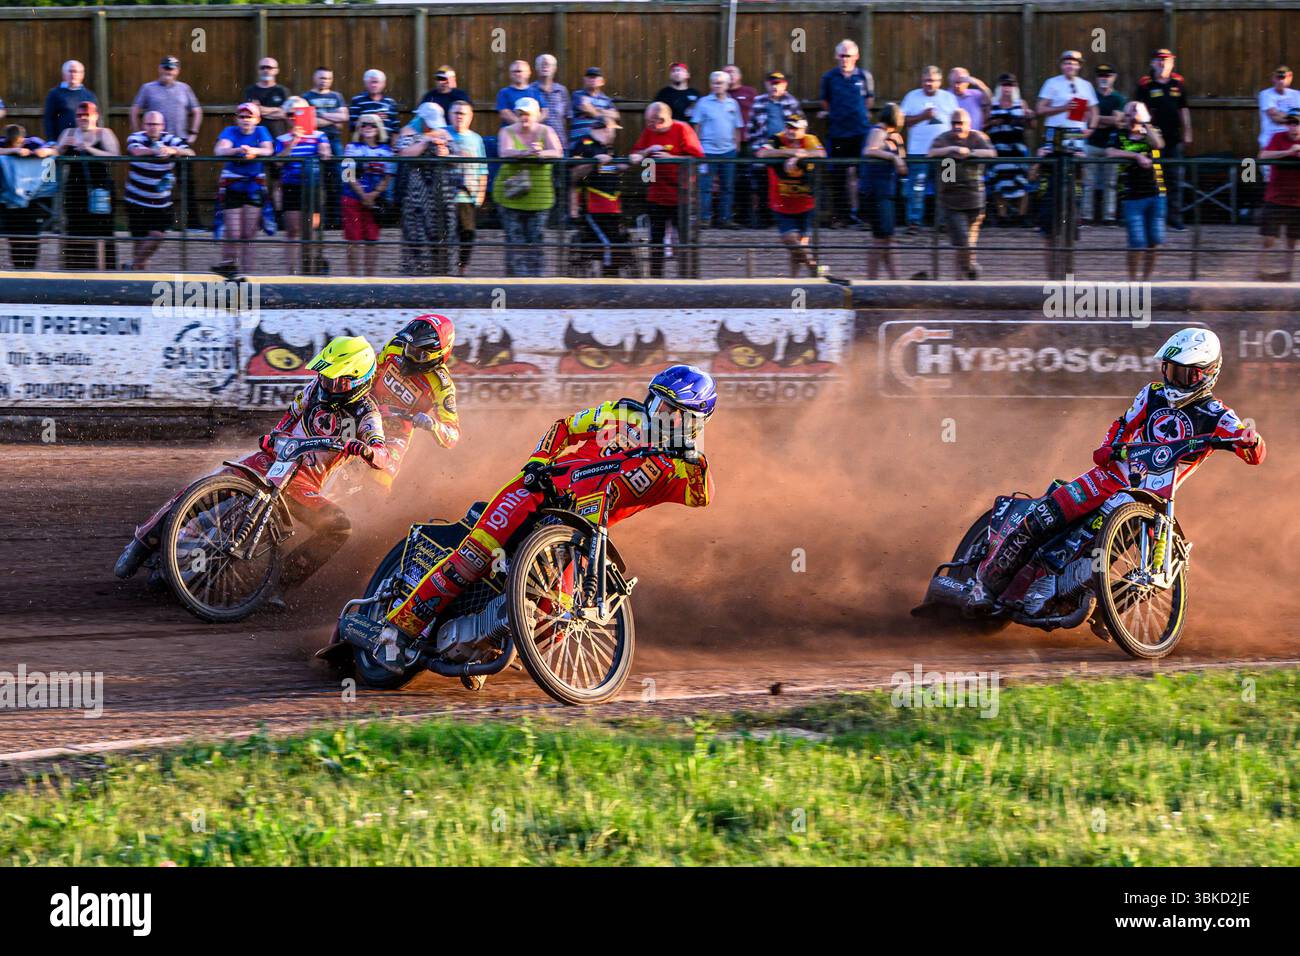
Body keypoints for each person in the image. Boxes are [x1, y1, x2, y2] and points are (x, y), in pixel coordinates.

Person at [372, 364, 717, 648]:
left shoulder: (679, 470)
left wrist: (693, 456)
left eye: (672, 413)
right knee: (473, 559)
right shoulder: (621, 413)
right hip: (538, 491)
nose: (659, 415)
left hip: (579, 535)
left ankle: (481, 646)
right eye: (657, 404)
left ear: (694, 424)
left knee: (556, 625)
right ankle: (395, 630)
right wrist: (538, 461)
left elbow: (703, 496)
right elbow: (564, 427)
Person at [965, 328, 1265, 616]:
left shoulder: (1218, 415)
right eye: (1169, 370)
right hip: (1112, 477)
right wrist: (1109, 447)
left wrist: (1250, 440)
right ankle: (984, 587)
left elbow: (1253, 452)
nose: (1172, 379)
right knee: (1046, 516)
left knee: (1153, 558)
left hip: (1150, 498)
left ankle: (1100, 611)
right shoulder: (1152, 394)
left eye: (1183, 373)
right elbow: (1124, 425)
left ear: (1207, 373)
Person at [115, 336, 391, 594]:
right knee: (209, 485)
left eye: (337, 383)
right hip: (274, 460)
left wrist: (367, 451)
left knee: (339, 527)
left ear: (359, 380)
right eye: (326, 378)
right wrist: (274, 436)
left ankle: (277, 587)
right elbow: (289, 417)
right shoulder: (315, 388)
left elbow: (382, 453)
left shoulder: (367, 414)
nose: (329, 386)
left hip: (303, 483)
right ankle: (143, 542)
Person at [370, 314, 461, 490]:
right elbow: (372, 370)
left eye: (419, 353)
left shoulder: (442, 385)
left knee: (378, 485)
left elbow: (453, 435)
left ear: (439, 356)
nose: (409, 355)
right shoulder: (396, 346)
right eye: (409, 348)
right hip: (364, 412)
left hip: (395, 435)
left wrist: (432, 425)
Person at [629, 102, 704, 278]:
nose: (648, 126)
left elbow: (698, 157)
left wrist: (672, 158)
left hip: (681, 196)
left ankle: (687, 278)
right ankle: (656, 279)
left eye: (650, 122)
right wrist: (644, 152)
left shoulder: (682, 129)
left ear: (660, 119)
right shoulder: (649, 132)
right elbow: (636, 152)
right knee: (656, 241)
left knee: (684, 241)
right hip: (656, 195)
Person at [130, 55, 204, 230]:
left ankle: (192, 224)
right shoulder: (147, 88)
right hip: (154, 145)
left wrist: (193, 133)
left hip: (178, 145)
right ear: (159, 68)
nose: (168, 71)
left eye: (171, 68)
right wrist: (137, 133)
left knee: (186, 184)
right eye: (165, 67)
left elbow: (197, 111)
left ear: (177, 71)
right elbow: (134, 110)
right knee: (156, 185)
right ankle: (162, 225)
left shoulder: (185, 88)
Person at [492, 96, 563, 277]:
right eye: (521, 114)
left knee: (536, 242)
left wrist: (541, 153)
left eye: (528, 114)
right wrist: (526, 152)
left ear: (537, 115)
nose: (525, 117)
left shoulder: (546, 131)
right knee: (514, 242)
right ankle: (515, 284)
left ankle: (536, 285)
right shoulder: (507, 131)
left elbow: (557, 152)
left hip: (539, 198)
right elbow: (504, 152)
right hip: (510, 196)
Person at [755, 112, 826, 277]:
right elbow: (762, 153)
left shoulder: (810, 139)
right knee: (791, 241)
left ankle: (793, 281)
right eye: (788, 126)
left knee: (798, 247)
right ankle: (814, 269)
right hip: (782, 203)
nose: (790, 131)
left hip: (805, 202)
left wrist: (802, 155)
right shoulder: (777, 139)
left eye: (795, 128)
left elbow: (821, 154)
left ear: (804, 129)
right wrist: (792, 153)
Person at [928, 107, 996, 279]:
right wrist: (952, 150)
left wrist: (970, 153)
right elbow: (931, 152)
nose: (957, 127)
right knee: (962, 241)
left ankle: (963, 280)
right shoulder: (943, 138)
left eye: (961, 123)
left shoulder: (977, 137)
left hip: (975, 198)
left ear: (969, 124)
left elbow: (992, 153)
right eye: (954, 123)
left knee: (967, 244)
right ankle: (969, 272)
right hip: (951, 199)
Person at [124, 110, 194, 270]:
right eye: (149, 124)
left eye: (156, 124)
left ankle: (133, 266)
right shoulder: (136, 137)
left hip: (161, 202)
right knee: (139, 242)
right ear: (144, 125)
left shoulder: (171, 139)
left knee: (157, 236)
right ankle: (138, 275)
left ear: (162, 126)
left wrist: (173, 151)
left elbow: (190, 152)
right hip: (136, 199)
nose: (152, 128)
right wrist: (156, 151)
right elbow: (135, 151)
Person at [55, 101, 120, 271]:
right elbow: (53, 156)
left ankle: (106, 271)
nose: (83, 118)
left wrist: (90, 149)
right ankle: (75, 271)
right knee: (75, 229)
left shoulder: (104, 133)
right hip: (75, 191)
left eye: (87, 115)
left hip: (101, 189)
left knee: (103, 229)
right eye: (79, 115)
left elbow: (115, 157)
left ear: (96, 116)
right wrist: (62, 147)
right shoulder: (68, 133)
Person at [1106, 101, 1166, 281]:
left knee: (1154, 242)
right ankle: (1132, 281)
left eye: (1137, 111)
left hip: (1156, 192)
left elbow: (1159, 144)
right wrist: (1136, 156)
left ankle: (1146, 281)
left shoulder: (1150, 132)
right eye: (1130, 111)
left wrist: (1145, 123)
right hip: (1131, 195)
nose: (1133, 115)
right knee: (1137, 243)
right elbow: (1110, 152)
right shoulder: (1119, 134)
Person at [213, 102, 275, 275]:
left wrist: (253, 151)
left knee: (249, 234)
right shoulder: (230, 132)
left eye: (249, 116)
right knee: (233, 231)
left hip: (254, 185)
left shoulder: (261, 131)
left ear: (257, 119)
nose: (245, 120)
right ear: (237, 119)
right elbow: (219, 150)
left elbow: (268, 150)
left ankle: (248, 274)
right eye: (242, 116)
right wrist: (238, 150)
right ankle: (229, 265)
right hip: (233, 184)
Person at [818, 39, 875, 227]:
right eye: (841, 55)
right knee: (838, 177)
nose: (845, 59)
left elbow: (869, 101)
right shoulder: (829, 77)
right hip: (838, 134)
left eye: (848, 56)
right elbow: (825, 102)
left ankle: (864, 217)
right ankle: (841, 218)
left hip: (861, 133)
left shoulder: (864, 76)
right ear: (836, 56)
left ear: (856, 57)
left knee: (864, 176)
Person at [1135, 48, 1191, 230]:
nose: (1162, 63)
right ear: (1152, 63)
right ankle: (1155, 219)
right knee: (1156, 178)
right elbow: (1139, 111)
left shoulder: (1178, 82)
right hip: (1153, 140)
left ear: (1172, 62)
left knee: (1174, 179)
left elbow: (1184, 108)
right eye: (1158, 60)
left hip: (1174, 140)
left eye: (1166, 60)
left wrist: (1188, 130)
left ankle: (1174, 218)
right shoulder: (1145, 84)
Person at [275, 96, 333, 274]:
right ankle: (290, 272)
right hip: (292, 185)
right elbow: (278, 162)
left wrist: (323, 150)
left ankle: (310, 268)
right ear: (286, 116)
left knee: (311, 230)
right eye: (291, 114)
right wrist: (293, 141)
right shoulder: (282, 138)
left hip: (312, 185)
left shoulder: (319, 135)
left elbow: (326, 154)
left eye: (299, 113)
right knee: (292, 230)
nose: (295, 117)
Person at [571, 117, 635, 277]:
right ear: (607, 128)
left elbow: (608, 169)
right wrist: (593, 162)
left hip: (613, 207)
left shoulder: (608, 148)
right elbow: (573, 175)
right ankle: (607, 281)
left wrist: (626, 164)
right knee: (607, 244)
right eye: (613, 130)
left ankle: (611, 279)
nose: (614, 134)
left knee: (619, 243)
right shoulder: (582, 145)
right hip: (592, 208)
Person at [900, 66, 959, 231]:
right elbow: (902, 122)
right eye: (925, 80)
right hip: (919, 153)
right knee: (917, 188)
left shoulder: (949, 98)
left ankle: (944, 222)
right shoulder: (911, 97)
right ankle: (914, 222)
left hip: (947, 154)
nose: (928, 84)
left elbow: (957, 121)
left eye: (932, 81)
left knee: (948, 186)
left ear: (939, 82)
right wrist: (923, 116)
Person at [397, 124, 458, 276]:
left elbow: (460, 156)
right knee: (417, 241)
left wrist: (446, 151)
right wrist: (426, 141)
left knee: (443, 240)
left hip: (442, 200)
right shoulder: (409, 133)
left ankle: (442, 277)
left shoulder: (446, 135)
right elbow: (403, 154)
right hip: (416, 200)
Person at [342, 114, 395, 277]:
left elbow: (388, 175)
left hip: (375, 201)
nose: (368, 128)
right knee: (353, 240)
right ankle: (353, 278)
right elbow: (348, 175)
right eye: (364, 124)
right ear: (359, 127)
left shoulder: (387, 151)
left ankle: (370, 278)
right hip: (352, 198)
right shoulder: (351, 148)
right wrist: (363, 195)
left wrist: (374, 195)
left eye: (372, 125)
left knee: (372, 240)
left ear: (379, 128)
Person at [747, 72, 801, 228]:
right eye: (772, 83)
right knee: (762, 186)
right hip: (763, 149)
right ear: (767, 85)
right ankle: (764, 221)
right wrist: (757, 147)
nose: (775, 86)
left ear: (785, 85)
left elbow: (801, 126)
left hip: (785, 150)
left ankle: (783, 221)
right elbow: (750, 128)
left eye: (778, 83)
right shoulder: (758, 102)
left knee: (784, 186)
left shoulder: (792, 102)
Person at [860, 103, 907, 278]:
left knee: (888, 238)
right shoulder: (877, 132)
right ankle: (871, 280)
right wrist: (893, 157)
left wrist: (899, 151)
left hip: (888, 191)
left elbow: (903, 167)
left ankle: (895, 279)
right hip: (876, 191)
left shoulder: (893, 136)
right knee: (880, 239)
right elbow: (869, 150)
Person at [693, 71, 744, 229]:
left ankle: (725, 219)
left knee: (727, 187)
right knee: (705, 187)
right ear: (710, 85)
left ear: (727, 85)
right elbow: (697, 126)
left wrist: (737, 147)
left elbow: (737, 127)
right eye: (714, 82)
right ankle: (704, 219)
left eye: (720, 82)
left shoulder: (733, 104)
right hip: (707, 151)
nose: (717, 85)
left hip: (728, 151)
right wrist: (696, 149)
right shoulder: (703, 103)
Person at [300, 67, 349, 230]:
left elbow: (344, 118)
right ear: (314, 78)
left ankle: (335, 221)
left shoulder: (337, 96)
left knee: (340, 180)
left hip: (334, 140)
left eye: (328, 78)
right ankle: (315, 225)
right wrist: (332, 118)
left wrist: (320, 115)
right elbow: (309, 124)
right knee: (314, 182)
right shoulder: (306, 97)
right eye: (321, 78)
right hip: (313, 142)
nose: (324, 81)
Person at [0, 125, 56, 269]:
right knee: (14, 237)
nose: (15, 144)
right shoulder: (3, 143)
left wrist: (44, 151)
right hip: (10, 199)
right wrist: (13, 150)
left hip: (33, 198)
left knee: (32, 235)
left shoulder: (34, 141)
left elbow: (54, 149)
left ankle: (30, 268)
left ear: (23, 139)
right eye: (11, 142)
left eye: (18, 142)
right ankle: (18, 268)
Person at [985, 73, 1034, 226]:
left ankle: (1021, 215)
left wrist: (1029, 117)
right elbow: (982, 126)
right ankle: (1002, 216)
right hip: (998, 148)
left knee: (1021, 181)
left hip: (1017, 148)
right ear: (1000, 87)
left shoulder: (1021, 103)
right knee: (999, 181)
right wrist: (994, 122)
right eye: (1005, 85)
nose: (1007, 88)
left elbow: (1032, 127)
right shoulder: (992, 104)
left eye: (1010, 85)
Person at [1257, 108, 1300, 280]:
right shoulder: (1277, 137)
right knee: (1268, 238)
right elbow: (1262, 155)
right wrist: (1288, 152)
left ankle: (1287, 273)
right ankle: (1259, 271)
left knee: (1292, 241)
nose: (1294, 127)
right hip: (1276, 198)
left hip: (1298, 201)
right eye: (1291, 123)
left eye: (1297, 123)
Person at [447, 101, 486, 276]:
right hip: (446, 195)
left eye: (463, 113)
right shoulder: (443, 133)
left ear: (470, 117)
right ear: (450, 115)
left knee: (467, 235)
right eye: (456, 113)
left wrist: (481, 193)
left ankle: (462, 271)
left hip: (467, 196)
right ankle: (443, 270)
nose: (459, 116)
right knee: (445, 236)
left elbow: (483, 169)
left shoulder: (476, 139)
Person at [1083, 65, 1125, 225]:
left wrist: (1096, 119)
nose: (1104, 78)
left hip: (1111, 147)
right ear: (1096, 78)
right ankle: (1086, 217)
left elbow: (1118, 120)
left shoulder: (1119, 98)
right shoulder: (1088, 96)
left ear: (1113, 77)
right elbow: (1084, 118)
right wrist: (1106, 120)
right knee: (1088, 184)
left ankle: (1109, 217)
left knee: (1111, 183)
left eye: (1107, 75)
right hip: (1091, 144)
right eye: (1101, 75)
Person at [1037, 50, 1098, 152]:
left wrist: (1091, 128)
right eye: (1067, 63)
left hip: (1076, 131)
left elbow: (1094, 109)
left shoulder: (1086, 85)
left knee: (1075, 162)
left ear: (1079, 66)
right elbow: (1040, 109)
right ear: (1061, 66)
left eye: (1075, 64)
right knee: (1051, 161)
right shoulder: (1052, 83)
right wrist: (1064, 108)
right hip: (1054, 129)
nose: (1071, 66)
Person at [43, 60, 97, 144]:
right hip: (62, 143)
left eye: (77, 72)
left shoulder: (89, 95)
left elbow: (96, 119)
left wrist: (96, 139)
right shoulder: (54, 94)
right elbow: (49, 119)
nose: (73, 75)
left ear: (82, 75)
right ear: (64, 74)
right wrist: (51, 141)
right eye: (70, 71)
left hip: (85, 143)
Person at [1257, 66, 1300, 162]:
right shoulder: (1266, 94)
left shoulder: (1297, 95)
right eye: (1278, 77)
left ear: (1290, 77)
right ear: (1273, 78)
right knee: (1270, 174)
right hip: (1270, 141)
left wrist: (1282, 115)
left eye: (1283, 77)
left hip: (1293, 141)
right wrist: (1295, 116)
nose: (1280, 81)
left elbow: (1278, 115)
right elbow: (1274, 116)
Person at [244, 57, 291, 138]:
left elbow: (285, 114)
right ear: (258, 71)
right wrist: (277, 109)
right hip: (257, 137)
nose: (266, 70)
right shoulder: (250, 90)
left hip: (278, 136)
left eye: (269, 68)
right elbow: (251, 112)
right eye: (262, 68)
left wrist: (260, 109)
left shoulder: (283, 91)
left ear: (276, 70)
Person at [350, 69, 401, 139]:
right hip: (365, 145)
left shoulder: (390, 102)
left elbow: (396, 128)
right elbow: (353, 126)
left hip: (387, 146)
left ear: (383, 84)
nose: (374, 85)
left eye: (376, 82)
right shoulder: (357, 100)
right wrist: (374, 118)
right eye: (371, 82)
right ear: (365, 84)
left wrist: (393, 147)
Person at [496, 60, 536, 126]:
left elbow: (544, 112)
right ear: (510, 74)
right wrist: (523, 125)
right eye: (514, 72)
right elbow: (504, 113)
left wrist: (531, 124)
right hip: (510, 134)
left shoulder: (535, 92)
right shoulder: (504, 93)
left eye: (520, 71)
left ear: (528, 73)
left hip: (532, 134)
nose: (517, 74)